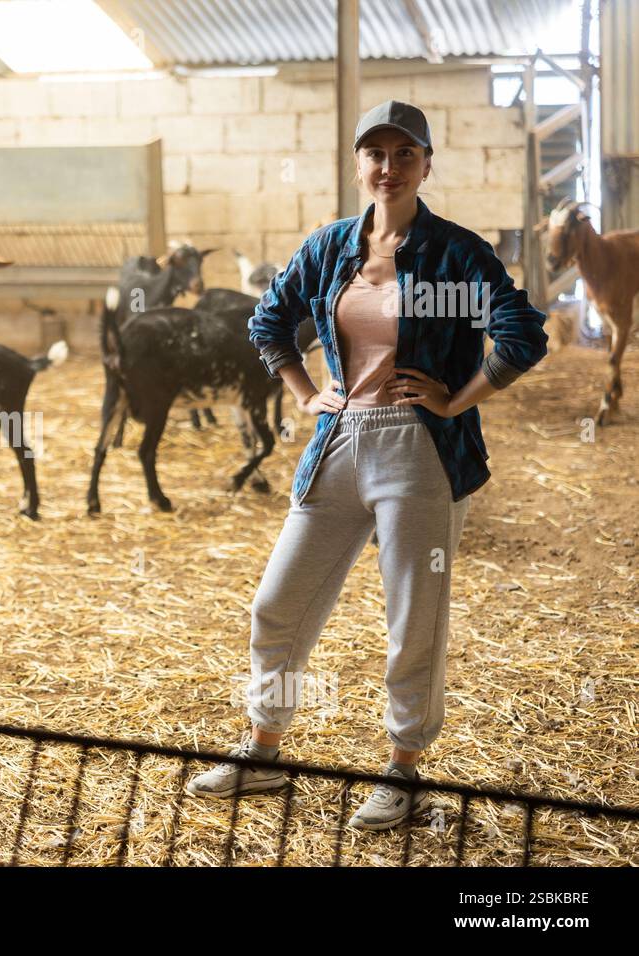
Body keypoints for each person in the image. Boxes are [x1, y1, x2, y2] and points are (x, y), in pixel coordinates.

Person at [185, 100, 549, 830]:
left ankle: (404, 770)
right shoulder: (328, 248)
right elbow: (268, 322)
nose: (388, 166)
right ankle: (263, 752)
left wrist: (458, 400)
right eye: (375, 152)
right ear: (359, 164)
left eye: (404, 153)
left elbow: (522, 333)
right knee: (276, 605)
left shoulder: (456, 253)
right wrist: (306, 393)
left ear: (425, 164)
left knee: (412, 618)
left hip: (421, 452)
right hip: (340, 443)